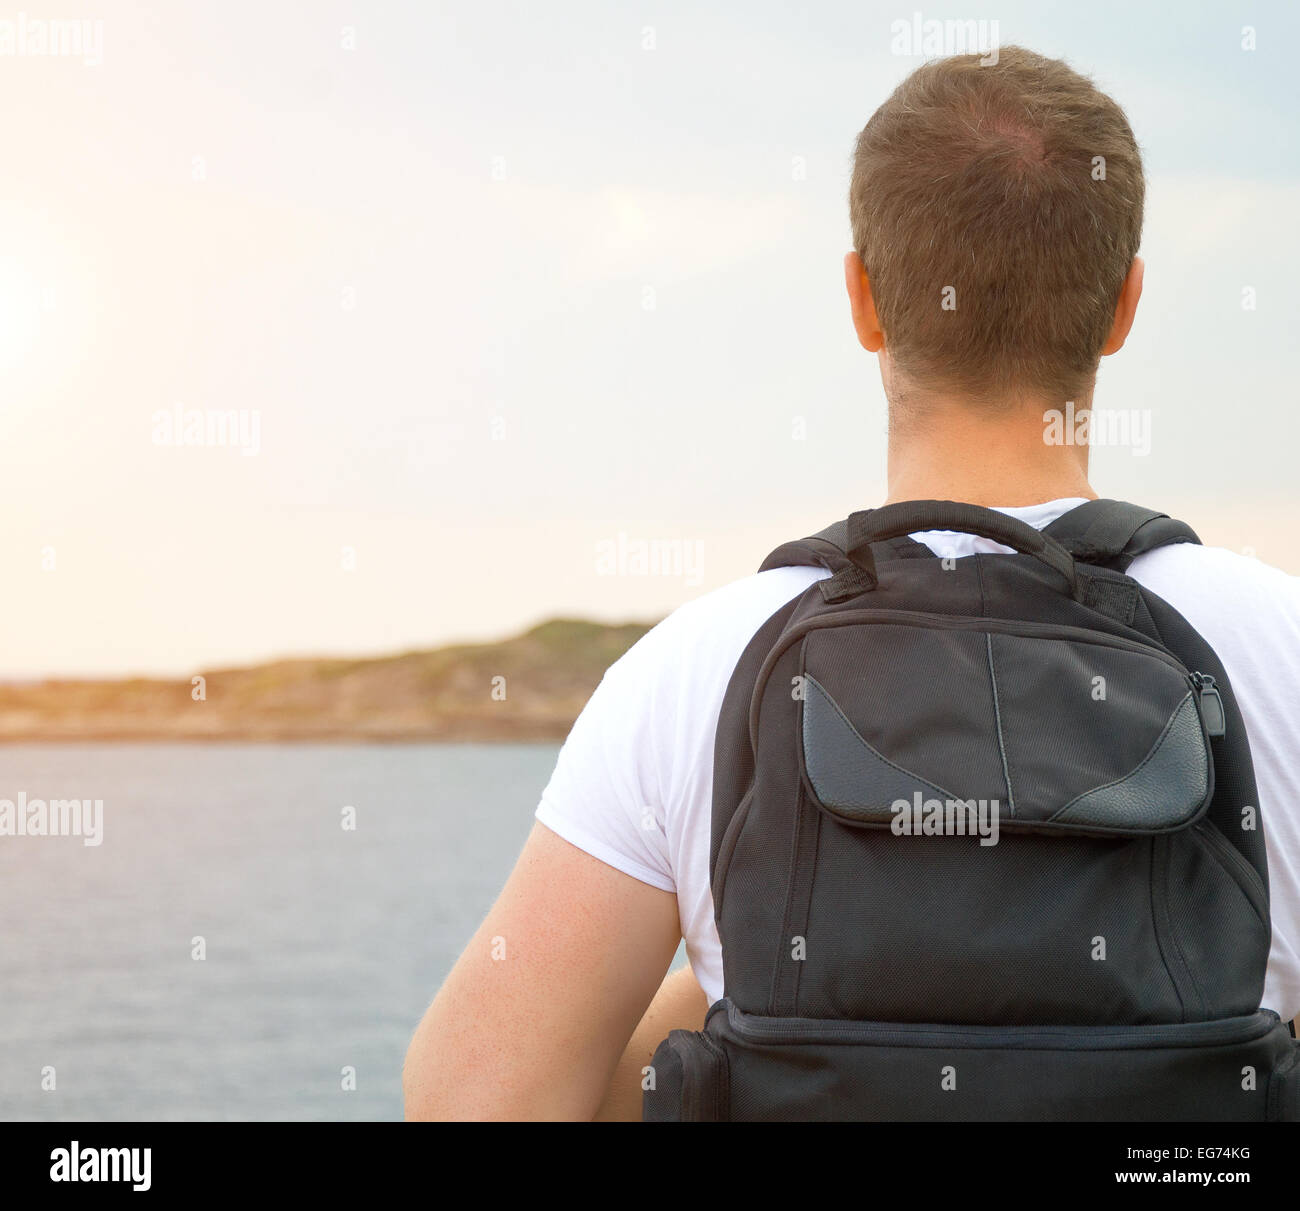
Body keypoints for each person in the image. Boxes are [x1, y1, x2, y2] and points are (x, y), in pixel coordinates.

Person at [402, 45, 1300, 1121]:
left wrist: (719, 982)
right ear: (1124, 307)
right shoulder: (1277, 648)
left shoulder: (698, 671)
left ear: (862, 300)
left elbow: (472, 1093)